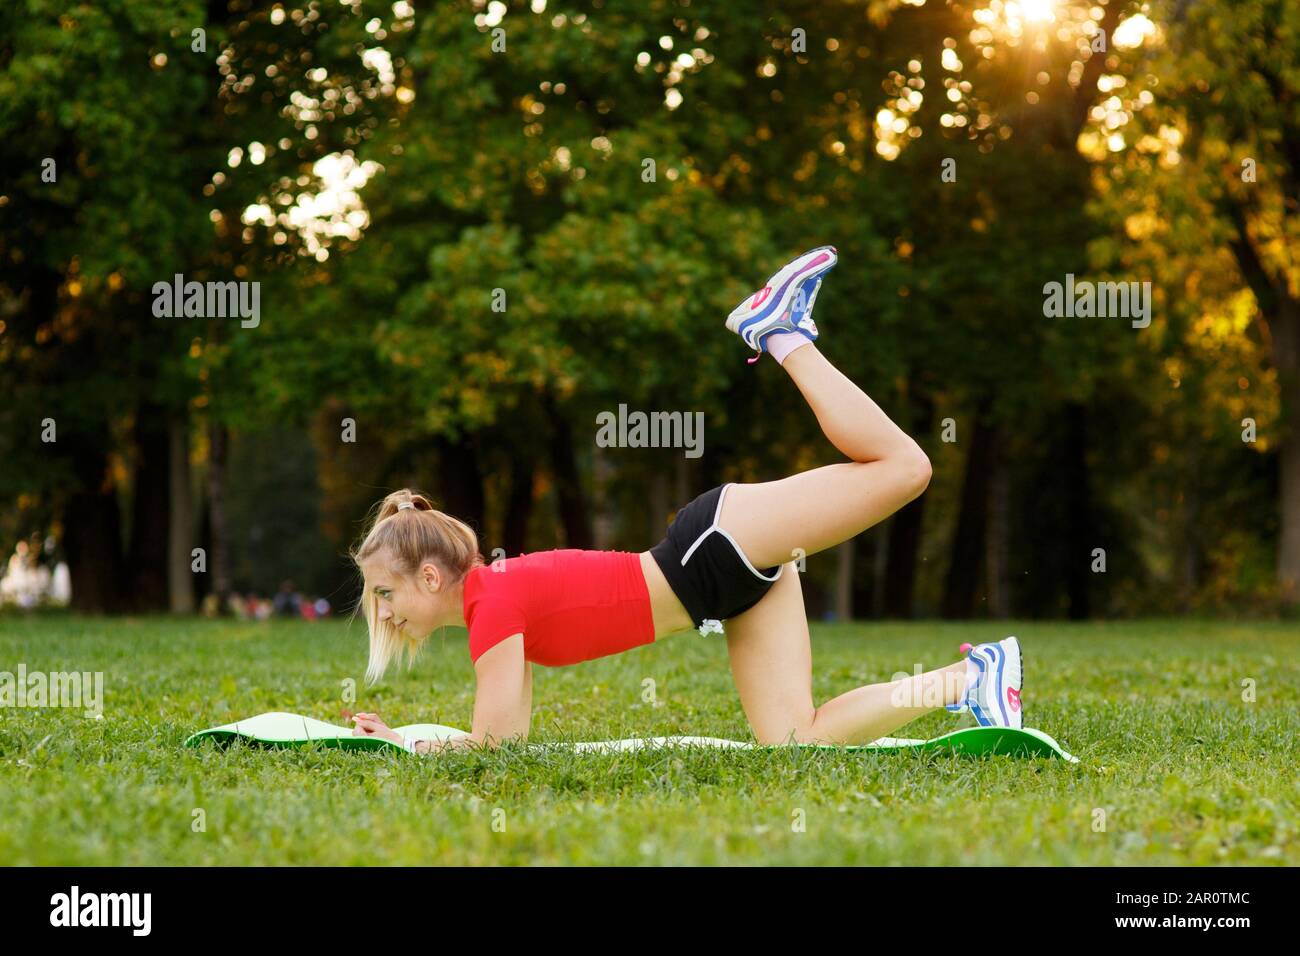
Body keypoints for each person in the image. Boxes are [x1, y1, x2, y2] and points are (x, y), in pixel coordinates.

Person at [349, 246, 1022, 754]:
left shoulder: (489, 604)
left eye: (384, 593)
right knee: (797, 740)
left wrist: (407, 744)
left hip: (714, 546)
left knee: (906, 467)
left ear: (430, 576)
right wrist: (406, 736)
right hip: (722, 582)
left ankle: (781, 332)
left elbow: (492, 751)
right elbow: (509, 744)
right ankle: (970, 679)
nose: (384, 612)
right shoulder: (490, 609)